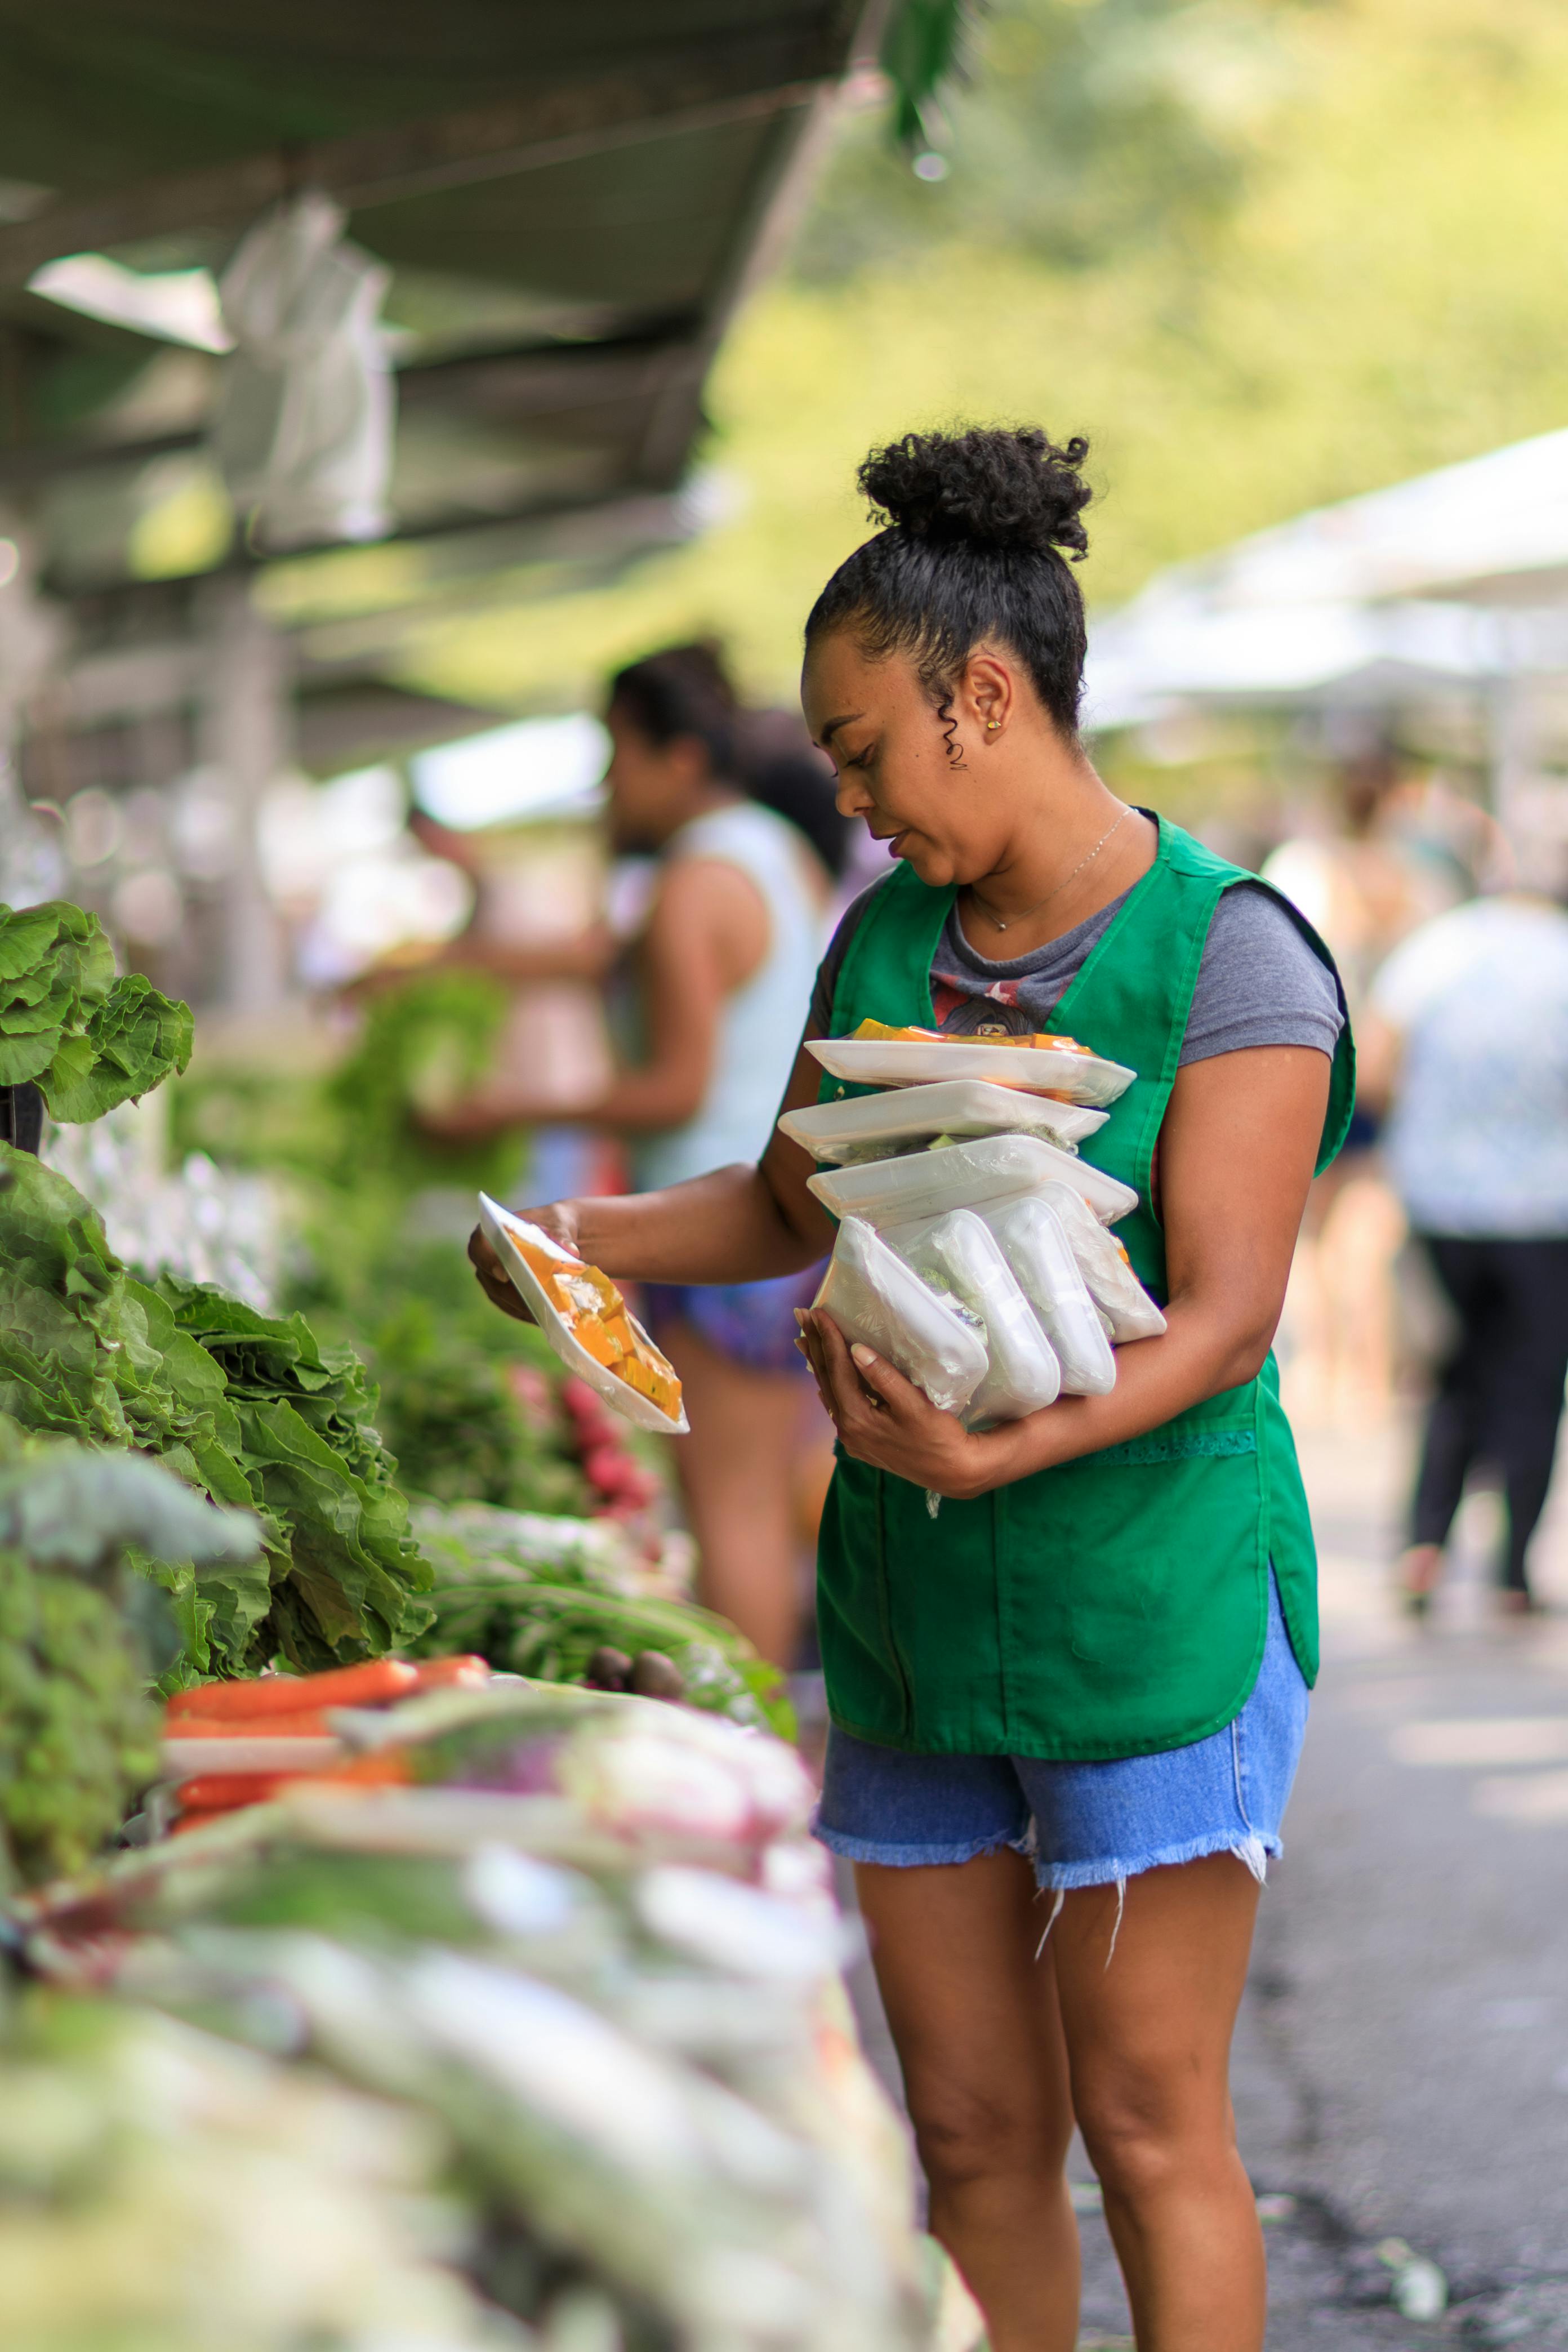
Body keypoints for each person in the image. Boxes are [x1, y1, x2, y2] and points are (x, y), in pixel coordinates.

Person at [469, 426, 1352, 2352]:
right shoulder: (878, 938)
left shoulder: (1235, 953)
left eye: (862, 746)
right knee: (966, 2130)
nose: (847, 797)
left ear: (985, 693)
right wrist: (579, 1232)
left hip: (1153, 1593)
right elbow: (783, 1201)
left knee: (1144, 2119)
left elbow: (1218, 1318)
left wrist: (994, 1440)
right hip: (911, 1599)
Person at [429, 644, 834, 1669]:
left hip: (721, 1225)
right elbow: (611, 962)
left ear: (681, 758)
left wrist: (508, 1105)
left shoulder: (691, 886)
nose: (608, 785)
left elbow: (677, 1087)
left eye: (618, 755)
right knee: (765, 1488)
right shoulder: (771, 853)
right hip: (792, 1204)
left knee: (729, 1508)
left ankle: (761, 1765)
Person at [1363, 857, 1568, 1615]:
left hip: (1441, 1201)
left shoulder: (1437, 949)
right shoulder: (1562, 957)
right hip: (1547, 1209)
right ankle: (1513, 1570)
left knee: (1450, 1379)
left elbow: (1377, 1069)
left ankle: (1423, 1549)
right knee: (1533, 1388)